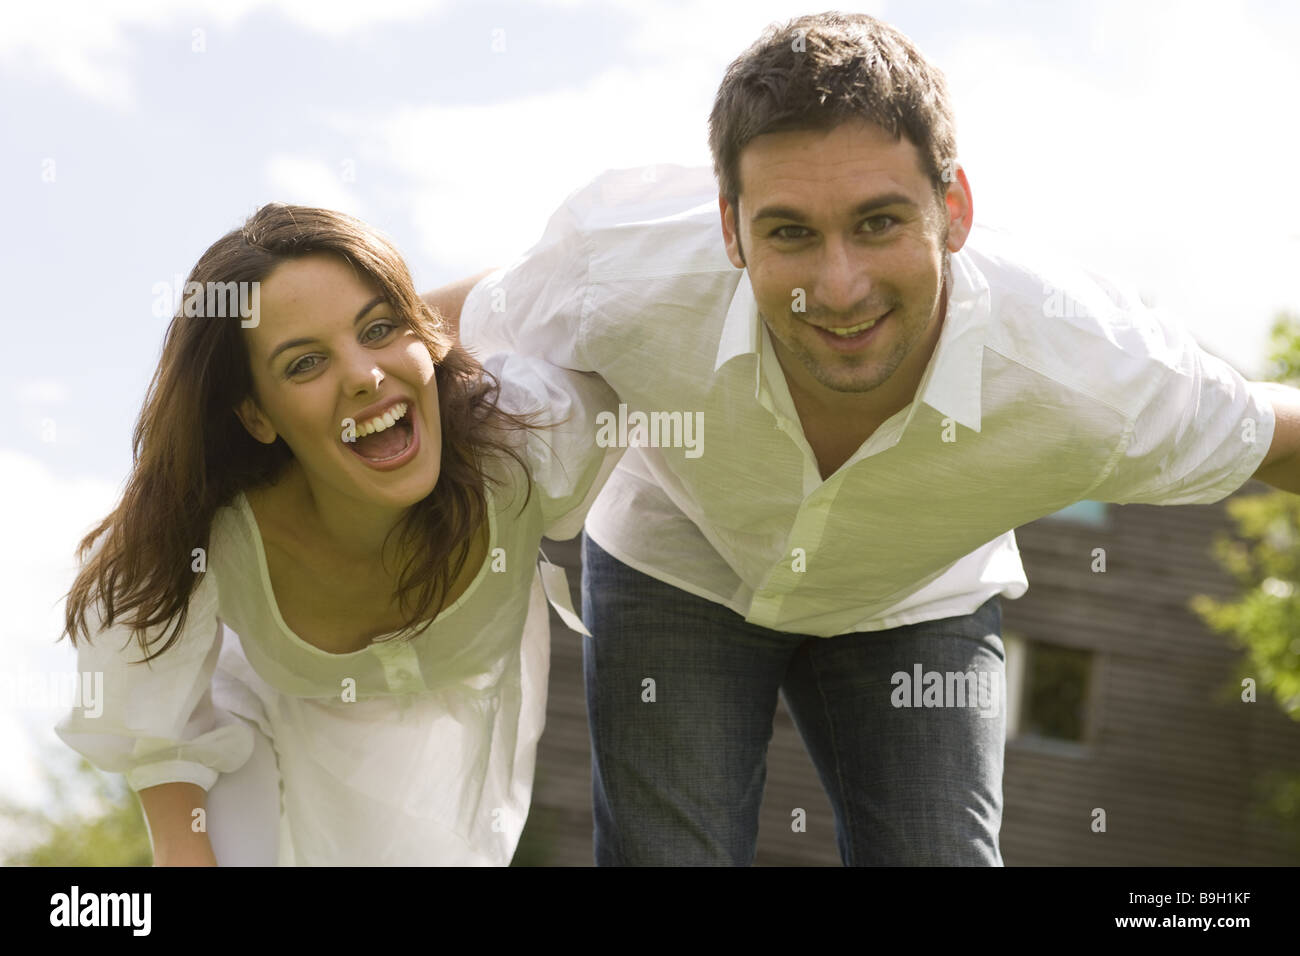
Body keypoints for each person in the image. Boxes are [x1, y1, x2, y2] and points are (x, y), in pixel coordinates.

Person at [441, 11, 1300, 865]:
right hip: (680, 555)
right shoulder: (618, 265)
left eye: (879, 222)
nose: (839, 287)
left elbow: (1280, 432)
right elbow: (438, 334)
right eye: (790, 233)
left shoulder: (1096, 370)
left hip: (917, 596)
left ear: (953, 208)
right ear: (731, 229)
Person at [55, 203, 623, 865]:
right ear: (256, 415)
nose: (363, 376)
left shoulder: (526, 441)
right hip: (255, 734)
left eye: (379, 327)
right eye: (303, 365)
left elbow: (583, 286)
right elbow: (160, 745)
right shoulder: (204, 542)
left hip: (445, 776)